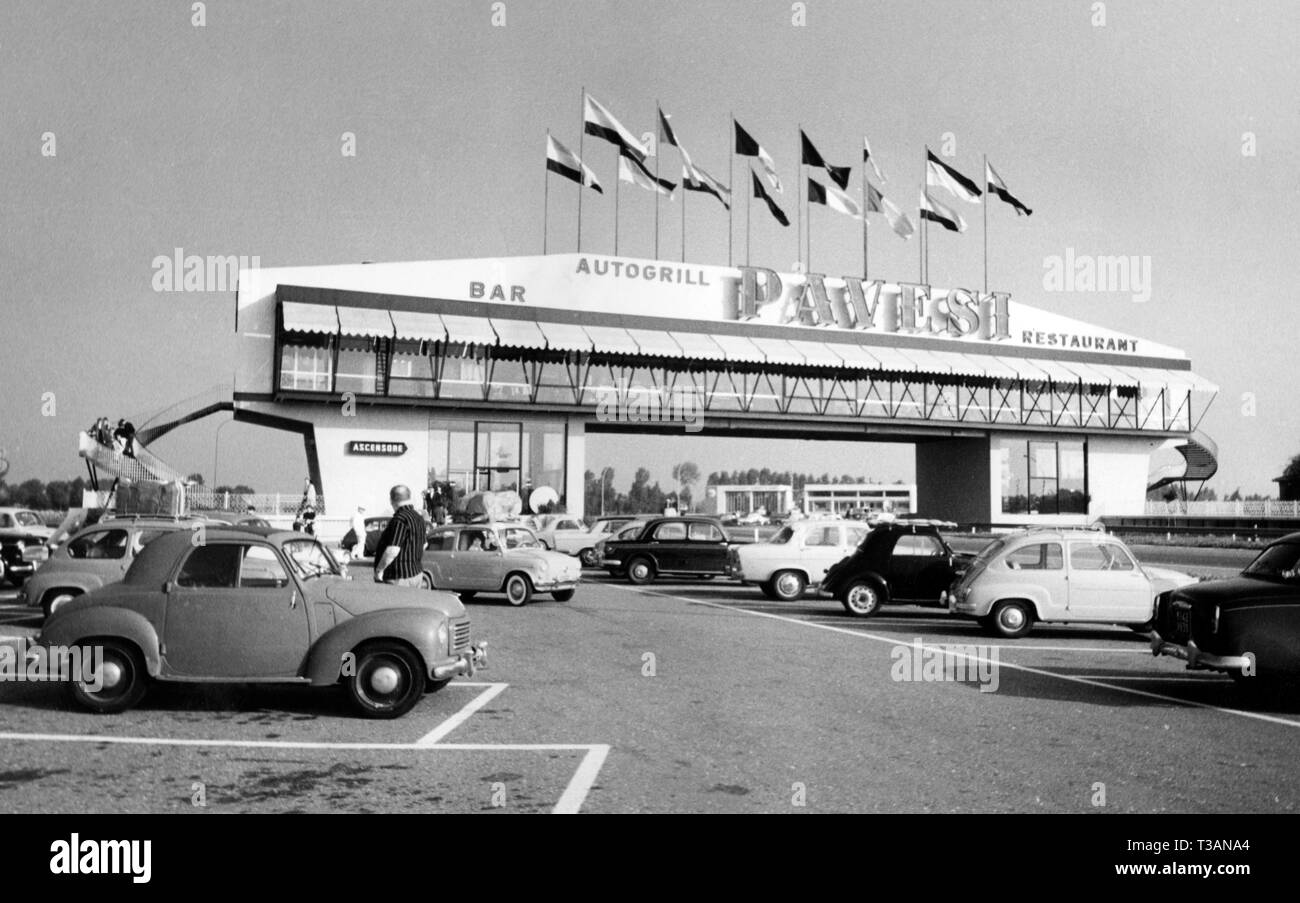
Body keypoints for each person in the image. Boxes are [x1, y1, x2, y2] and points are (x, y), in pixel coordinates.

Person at [373, 484, 427, 586]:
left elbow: (392, 551)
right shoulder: (419, 518)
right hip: (417, 574)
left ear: (391, 501)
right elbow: (424, 545)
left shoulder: (400, 519)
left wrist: (379, 570)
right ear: (409, 498)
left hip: (398, 577)